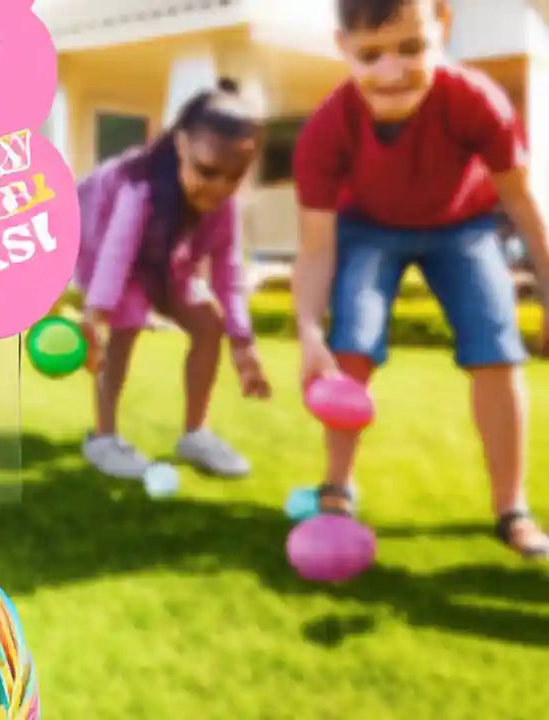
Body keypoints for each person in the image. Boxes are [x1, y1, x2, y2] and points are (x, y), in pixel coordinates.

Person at [291, 0, 549, 557]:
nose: (392, 71)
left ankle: (512, 508)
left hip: (464, 226)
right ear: (343, 49)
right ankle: (337, 486)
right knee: (351, 343)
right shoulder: (326, 128)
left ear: (444, 29)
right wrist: (309, 331)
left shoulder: (476, 99)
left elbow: (523, 204)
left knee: (497, 348)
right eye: (371, 54)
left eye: (411, 48)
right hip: (368, 227)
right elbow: (316, 249)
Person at [76, 78, 272, 481]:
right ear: (181, 145)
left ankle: (195, 433)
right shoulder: (140, 187)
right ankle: (103, 437)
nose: (219, 187)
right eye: (207, 171)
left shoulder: (221, 206)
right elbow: (116, 254)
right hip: (103, 246)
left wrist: (242, 343)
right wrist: (95, 316)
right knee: (125, 325)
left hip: (166, 263)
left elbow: (227, 272)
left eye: (234, 176)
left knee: (208, 324)